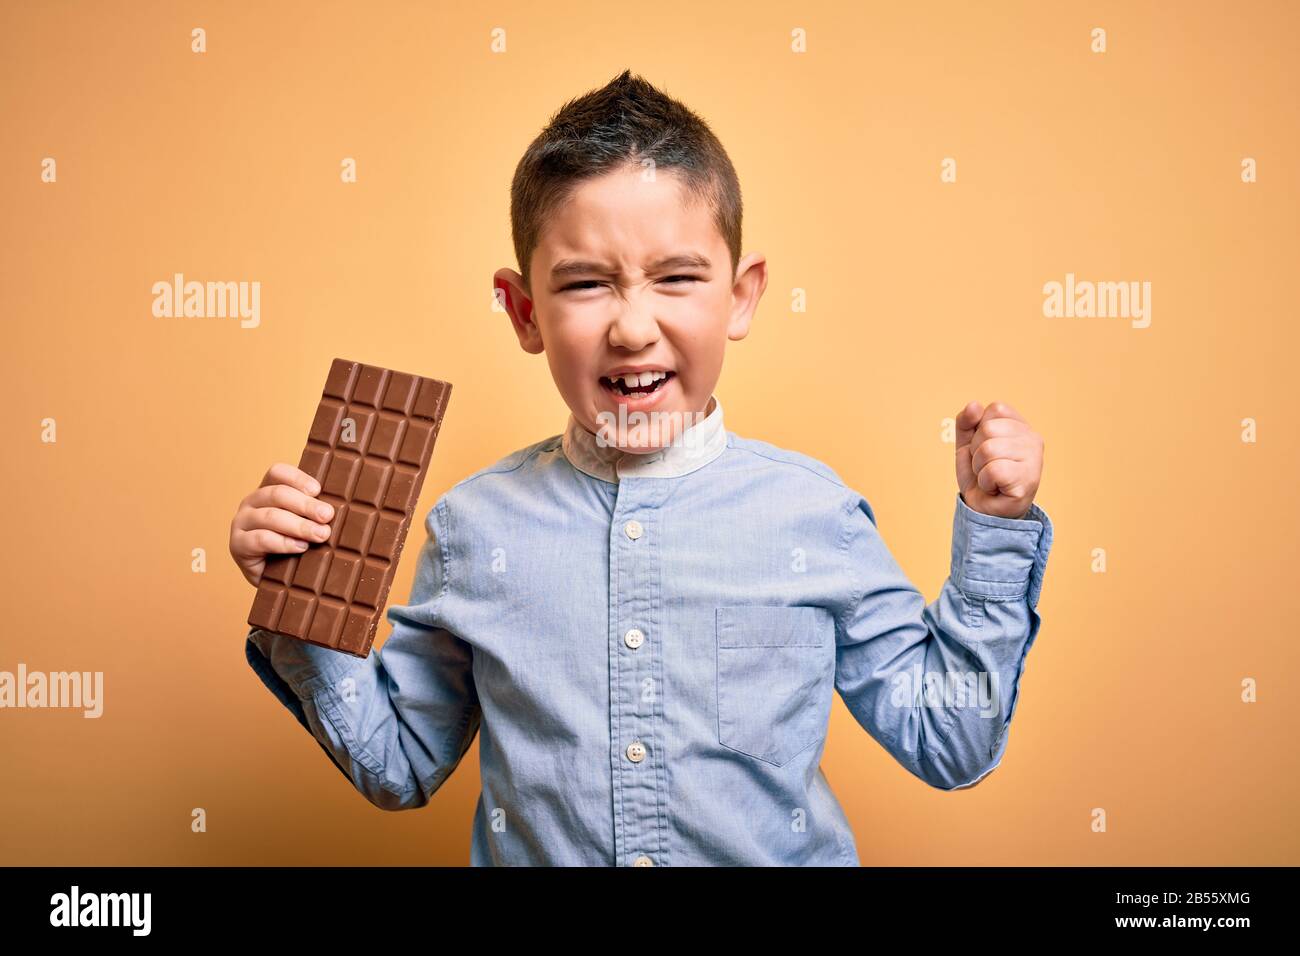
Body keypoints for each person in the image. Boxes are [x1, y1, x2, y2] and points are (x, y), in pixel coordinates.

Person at [229, 69, 1052, 866]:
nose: (632, 328)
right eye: (585, 283)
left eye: (677, 278)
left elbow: (950, 743)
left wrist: (996, 537)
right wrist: (297, 601)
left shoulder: (813, 517)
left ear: (740, 295)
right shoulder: (473, 529)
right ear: (523, 312)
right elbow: (399, 766)